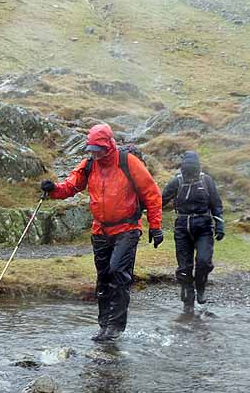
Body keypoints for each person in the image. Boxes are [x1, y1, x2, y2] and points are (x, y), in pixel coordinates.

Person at [40, 124, 163, 341]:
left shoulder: (128, 162)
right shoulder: (89, 165)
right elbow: (70, 186)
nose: (94, 154)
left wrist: (155, 226)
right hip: (100, 230)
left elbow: (152, 193)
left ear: (108, 146)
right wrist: (53, 190)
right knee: (103, 277)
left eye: (98, 149)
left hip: (127, 229)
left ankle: (115, 327)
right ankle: (104, 325)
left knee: (118, 271)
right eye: (91, 149)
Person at [161, 151, 224, 314]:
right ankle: (187, 300)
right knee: (184, 266)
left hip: (204, 226)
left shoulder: (207, 180)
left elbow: (216, 203)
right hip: (182, 227)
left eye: (192, 169)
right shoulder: (177, 181)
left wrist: (220, 224)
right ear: (182, 168)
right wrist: (143, 208)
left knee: (203, 262)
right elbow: (160, 200)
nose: (189, 172)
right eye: (186, 169)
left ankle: (201, 287)